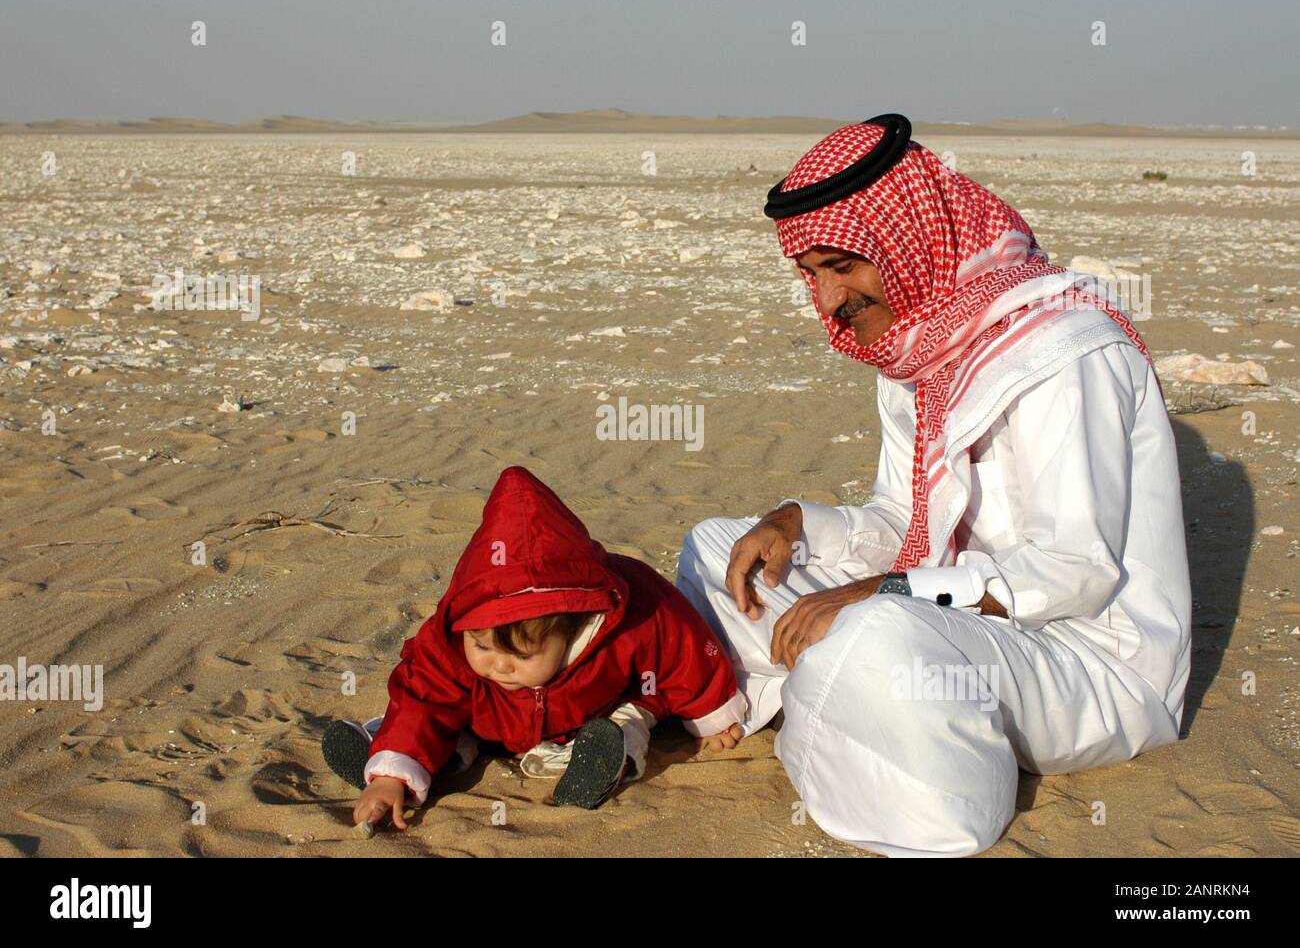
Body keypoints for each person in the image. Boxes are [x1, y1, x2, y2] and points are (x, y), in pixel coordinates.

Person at [675, 114, 1190, 857]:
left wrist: (879, 595)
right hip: (953, 619)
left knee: (879, 632)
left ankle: (867, 724)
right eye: (809, 273)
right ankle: (842, 689)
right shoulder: (919, 347)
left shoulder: (1064, 353)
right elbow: (904, 517)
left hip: (1084, 661)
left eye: (841, 266)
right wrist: (794, 525)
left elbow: (1072, 572)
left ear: (905, 241)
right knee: (723, 547)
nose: (826, 302)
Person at [323, 466, 746, 830]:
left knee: (627, 724)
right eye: (481, 645)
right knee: (430, 722)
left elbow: (681, 648)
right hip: (487, 715)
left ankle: (601, 763)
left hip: (591, 712)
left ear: (573, 627)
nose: (498, 666)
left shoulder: (627, 616)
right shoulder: (455, 641)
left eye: (521, 656)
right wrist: (387, 777)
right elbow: (423, 693)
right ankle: (397, 760)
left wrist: (710, 715)